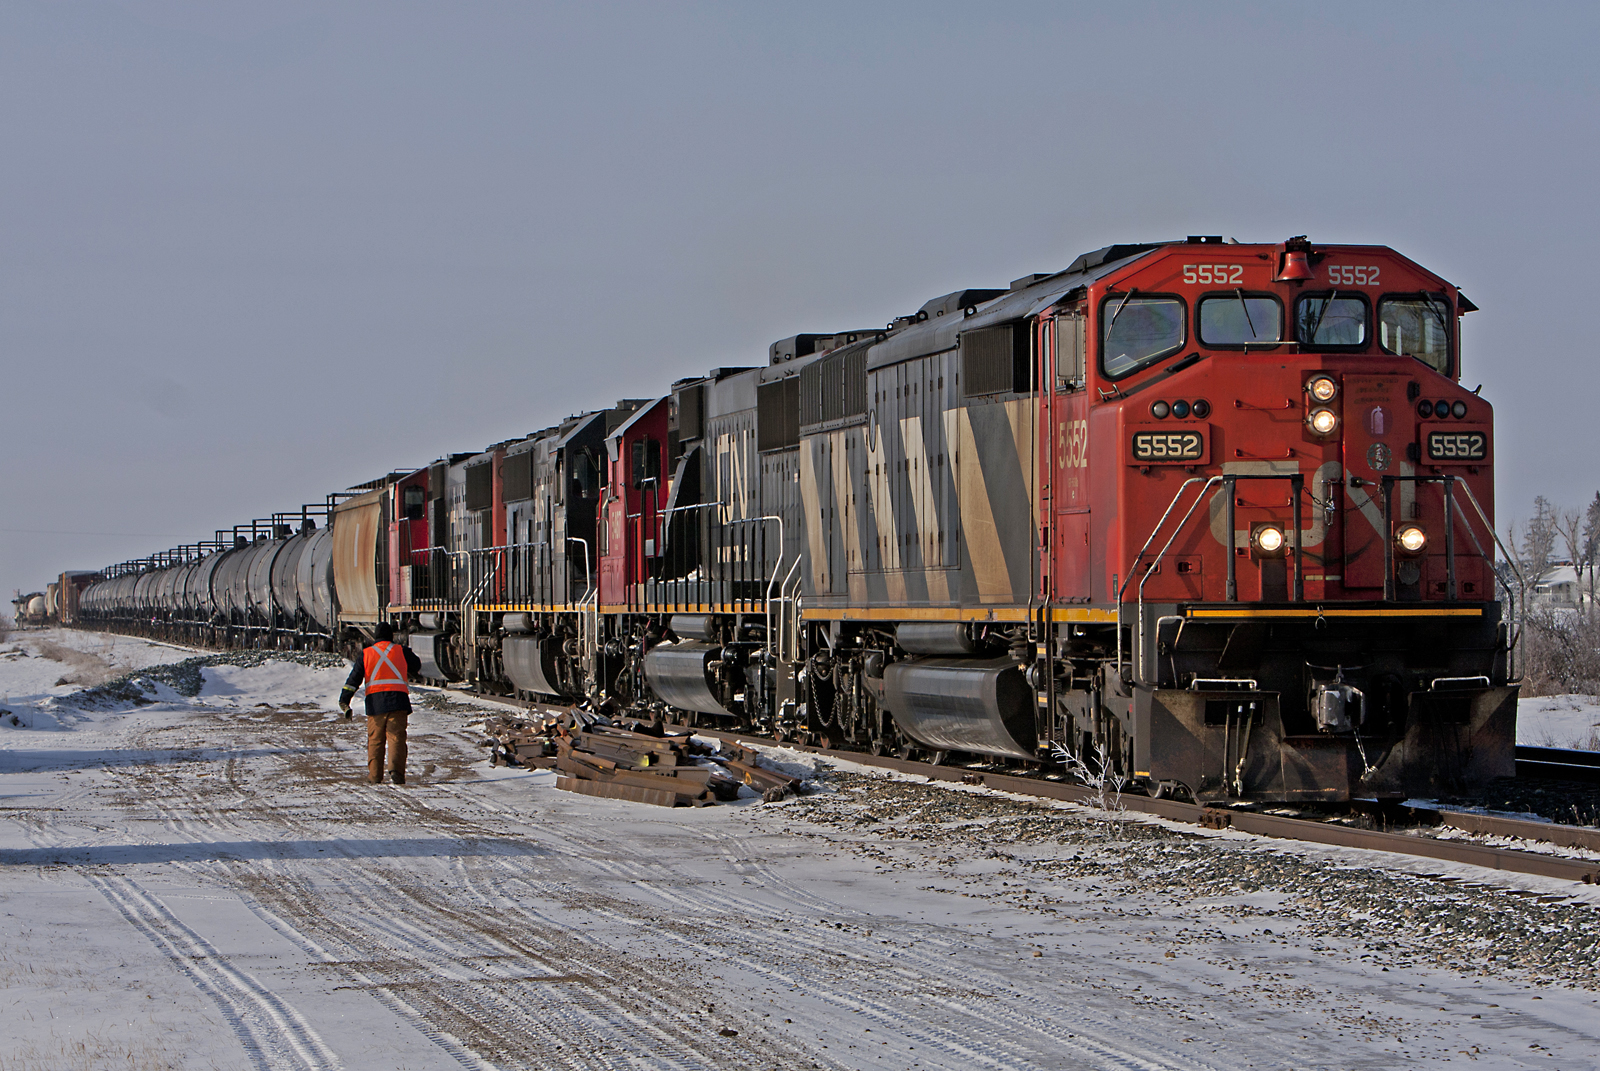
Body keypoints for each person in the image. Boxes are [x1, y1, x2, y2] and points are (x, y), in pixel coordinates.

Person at [338, 622, 422, 784]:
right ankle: (396, 772)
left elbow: (353, 679)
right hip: (398, 702)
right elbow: (416, 665)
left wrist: (344, 699)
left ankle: (375, 776)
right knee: (396, 737)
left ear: (375, 636)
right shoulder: (400, 651)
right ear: (391, 636)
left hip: (376, 704)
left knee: (375, 740)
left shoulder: (367, 653)